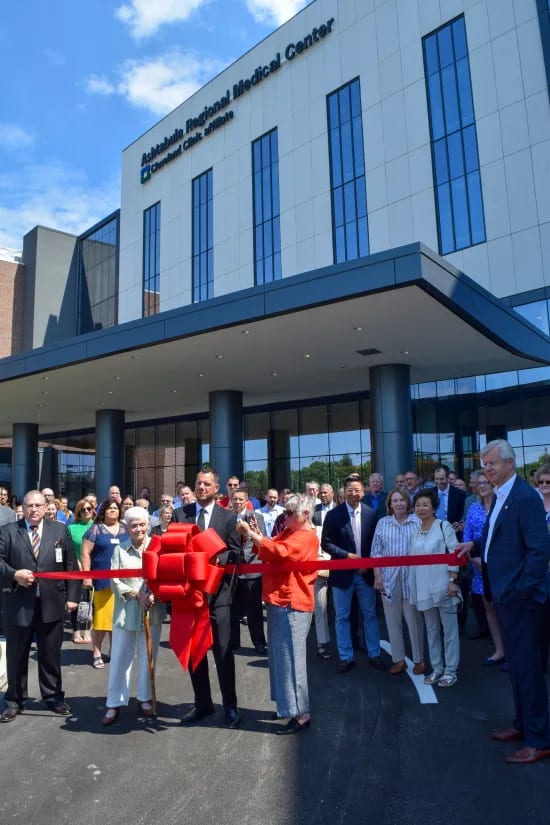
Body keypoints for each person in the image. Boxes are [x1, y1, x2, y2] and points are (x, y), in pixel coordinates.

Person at [458, 441, 550, 764]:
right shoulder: (498, 495)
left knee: (529, 670)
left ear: (510, 463)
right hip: (504, 597)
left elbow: (539, 551)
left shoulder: (526, 498)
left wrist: (519, 590)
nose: (487, 469)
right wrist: (474, 543)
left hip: (521, 601)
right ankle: (522, 726)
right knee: (517, 669)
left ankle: (539, 740)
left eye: (493, 463)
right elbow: (498, 534)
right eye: (485, 464)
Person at [237, 493, 318, 734]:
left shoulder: (306, 536)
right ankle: (287, 706)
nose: (286, 515)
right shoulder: (291, 532)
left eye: (290, 512)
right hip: (279, 599)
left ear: (305, 515)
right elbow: (270, 550)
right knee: (280, 658)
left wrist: (252, 535)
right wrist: (256, 535)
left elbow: (282, 553)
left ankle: (301, 712)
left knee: (292, 660)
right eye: (286, 511)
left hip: (293, 602)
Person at [0, 490, 80, 721]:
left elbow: (70, 565)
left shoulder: (59, 530)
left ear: (46, 508)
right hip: (18, 604)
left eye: (38, 505)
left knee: (50, 654)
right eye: (29, 506)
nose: (33, 509)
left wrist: (73, 596)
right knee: (16, 656)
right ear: (23, 508)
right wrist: (15, 574)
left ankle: (53, 697)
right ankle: (14, 700)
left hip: (51, 603)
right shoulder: (8, 531)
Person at [173, 468, 242, 728]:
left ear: (216, 489)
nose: (201, 487)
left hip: (218, 597)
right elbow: (173, 551)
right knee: (196, 655)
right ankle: (202, 704)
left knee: (223, 653)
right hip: (189, 599)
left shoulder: (228, 517)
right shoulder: (181, 514)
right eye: (198, 483)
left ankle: (230, 706)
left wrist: (215, 559)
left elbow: (237, 553)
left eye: (207, 484)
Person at [101, 507, 166, 725]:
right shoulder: (120, 549)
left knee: (148, 656)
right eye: (133, 525)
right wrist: (137, 594)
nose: (138, 528)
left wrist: (155, 594)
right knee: (120, 657)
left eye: (142, 524)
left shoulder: (159, 547)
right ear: (126, 527)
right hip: (125, 611)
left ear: (148, 524)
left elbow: (167, 576)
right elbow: (114, 580)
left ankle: (145, 698)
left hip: (152, 610)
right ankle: (114, 702)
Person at [321, 474, 385, 672]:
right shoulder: (334, 515)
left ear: (363, 492)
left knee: (370, 614)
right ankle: (346, 657)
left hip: (365, 573)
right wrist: (346, 555)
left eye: (357, 490)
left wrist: (370, 564)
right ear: (344, 492)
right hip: (342, 574)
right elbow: (326, 543)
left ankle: (374, 654)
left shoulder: (371, 513)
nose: (354, 493)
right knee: (342, 616)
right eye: (350, 490)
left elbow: (377, 543)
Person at [408, 488, 461, 687]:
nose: (421, 509)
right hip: (423, 588)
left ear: (433, 507)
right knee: (431, 631)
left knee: (449, 631)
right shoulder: (415, 531)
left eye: (425, 505)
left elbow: (454, 552)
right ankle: (437, 668)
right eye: (418, 505)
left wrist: (453, 579)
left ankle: (451, 671)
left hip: (443, 586)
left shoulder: (443, 526)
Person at [372, 489, 425, 675]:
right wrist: (377, 577)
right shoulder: (382, 523)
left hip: (412, 578)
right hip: (389, 579)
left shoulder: (417, 522)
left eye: (402, 500)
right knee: (393, 621)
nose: (399, 504)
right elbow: (376, 552)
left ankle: (419, 660)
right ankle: (399, 660)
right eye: (395, 501)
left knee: (414, 620)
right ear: (390, 504)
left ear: (407, 502)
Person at [462, 472, 504, 663]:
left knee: (505, 609)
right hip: (480, 567)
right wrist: (474, 559)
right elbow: (467, 538)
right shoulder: (473, 509)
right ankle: (499, 650)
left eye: (487, 482)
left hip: (503, 567)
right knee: (489, 608)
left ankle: (513, 652)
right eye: (480, 483)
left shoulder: (503, 506)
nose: (484, 485)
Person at [81, 499, 128, 669]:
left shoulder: (125, 528)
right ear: (103, 511)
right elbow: (85, 553)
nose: (113, 511)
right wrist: (86, 576)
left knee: (117, 620)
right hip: (101, 581)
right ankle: (97, 652)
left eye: (116, 508)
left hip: (122, 582)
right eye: (109, 509)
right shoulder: (95, 529)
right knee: (102, 619)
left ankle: (115, 652)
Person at [229, 488, 268, 654]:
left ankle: (259, 641)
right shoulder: (227, 518)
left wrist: (243, 557)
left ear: (246, 501)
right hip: (232, 571)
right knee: (232, 609)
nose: (237, 502)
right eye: (234, 499)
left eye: (240, 499)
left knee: (254, 610)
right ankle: (233, 641)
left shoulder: (256, 517)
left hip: (251, 569)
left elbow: (260, 540)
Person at [67, 497, 96, 643]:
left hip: (95, 569)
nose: (86, 512)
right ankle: (76, 631)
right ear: (78, 512)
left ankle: (87, 631)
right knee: (77, 601)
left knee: (92, 602)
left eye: (89, 509)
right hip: (76, 569)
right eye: (83, 510)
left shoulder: (98, 526)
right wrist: (76, 562)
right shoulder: (72, 528)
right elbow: (69, 548)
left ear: (93, 510)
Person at [535, 464, 550, 672]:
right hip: (539, 574)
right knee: (540, 624)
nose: (545, 485)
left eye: (549, 482)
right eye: (541, 482)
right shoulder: (534, 506)